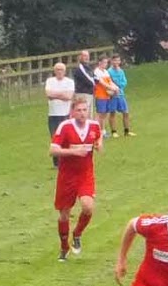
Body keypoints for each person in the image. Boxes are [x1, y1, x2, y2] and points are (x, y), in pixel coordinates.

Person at [51, 94, 103, 261]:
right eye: (78, 110)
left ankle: (78, 233)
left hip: (85, 174)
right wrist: (74, 151)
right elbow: (52, 150)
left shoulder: (94, 126)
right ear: (72, 112)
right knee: (64, 214)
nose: (82, 113)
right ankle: (64, 246)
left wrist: (99, 144)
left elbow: (98, 136)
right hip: (66, 177)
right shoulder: (65, 127)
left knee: (88, 207)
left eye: (84, 109)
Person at [44, 62, 75, 168]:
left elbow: (69, 96)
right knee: (54, 138)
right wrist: (62, 94)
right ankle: (56, 162)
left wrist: (55, 94)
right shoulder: (50, 81)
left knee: (66, 138)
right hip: (53, 115)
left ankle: (66, 160)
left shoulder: (69, 82)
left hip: (65, 114)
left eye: (61, 69)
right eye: (57, 69)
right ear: (54, 71)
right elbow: (48, 94)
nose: (59, 72)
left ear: (65, 71)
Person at [106, 55, 132, 136]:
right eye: (115, 60)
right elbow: (109, 82)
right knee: (112, 112)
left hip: (121, 94)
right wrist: (114, 86)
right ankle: (114, 132)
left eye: (118, 60)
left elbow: (124, 82)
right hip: (113, 95)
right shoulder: (109, 72)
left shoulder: (121, 71)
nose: (116, 62)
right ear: (111, 61)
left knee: (126, 112)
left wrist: (119, 85)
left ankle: (127, 131)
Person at [92, 62, 120, 135]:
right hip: (100, 95)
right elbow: (102, 83)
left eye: (106, 62)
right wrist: (113, 89)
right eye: (104, 62)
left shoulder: (106, 72)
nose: (106, 64)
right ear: (100, 63)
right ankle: (96, 131)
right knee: (99, 114)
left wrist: (116, 87)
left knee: (105, 114)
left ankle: (103, 131)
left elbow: (110, 81)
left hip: (107, 95)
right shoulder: (96, 72)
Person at [72, 51, 99, 120]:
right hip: (82, 94)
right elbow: (89, 80)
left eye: (87, 56)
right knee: (83, 115)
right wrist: (95, 84)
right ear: (80, 57)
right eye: (84, 56)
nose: (87, 57)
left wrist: (96, 81)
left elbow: (96, 78)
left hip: (89, 94)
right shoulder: (79, 68)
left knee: (89, 115)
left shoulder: (88, 67)